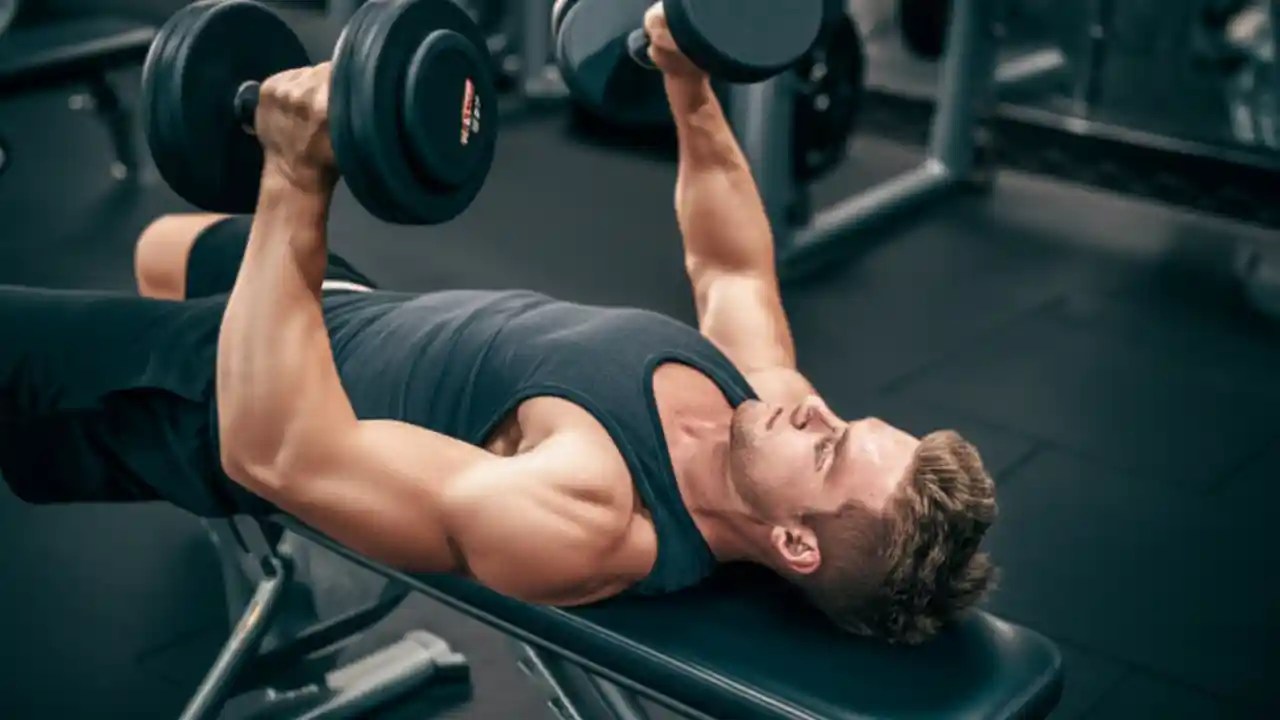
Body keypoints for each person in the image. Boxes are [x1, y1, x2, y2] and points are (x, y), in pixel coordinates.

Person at [0, 6, 997, 645]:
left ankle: (149, 449)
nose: (815, 414)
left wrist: (297, 175)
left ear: (795, 544)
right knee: (172, 245)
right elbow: (732, 262)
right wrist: (687, 81)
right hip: (352, 313)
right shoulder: (764, 411)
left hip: (234, 393)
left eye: (828, 455)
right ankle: (242, 551)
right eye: (846, 420)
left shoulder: (586, 517)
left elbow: (281, 449)